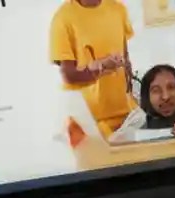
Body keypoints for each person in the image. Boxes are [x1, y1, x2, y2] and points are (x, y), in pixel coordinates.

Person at [49, 0, 138, 140]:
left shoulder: (118, 9)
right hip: (88, 123)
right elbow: (69, 75)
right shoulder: (63, 18)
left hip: (127, 117)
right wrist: (99, 67)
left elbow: (125, 59)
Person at [111, 65, 175, 144]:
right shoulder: (140, 115)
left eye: (171, 87)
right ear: (147, 96)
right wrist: (173, 132)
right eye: (156, 90)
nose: (165, 97)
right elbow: (116, 140)